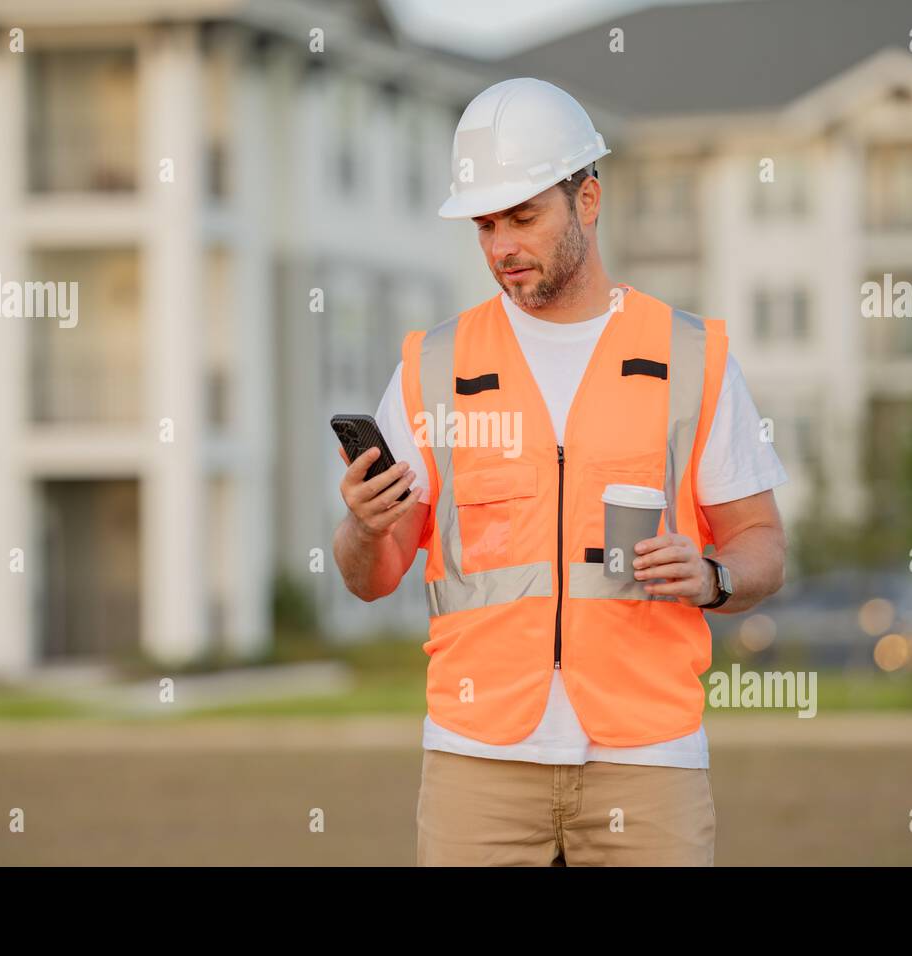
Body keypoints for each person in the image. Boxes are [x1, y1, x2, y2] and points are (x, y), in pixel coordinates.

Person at [333, 78, 788, 866]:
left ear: (588, 199)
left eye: (523, 215)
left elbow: (763, 545)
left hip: (648, 757)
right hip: (477, 756)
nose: (502, 245)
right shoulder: (432, 367)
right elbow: (371, 577)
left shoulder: (692, 358)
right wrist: (361, 527)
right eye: (484, 224)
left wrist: (711, 573)